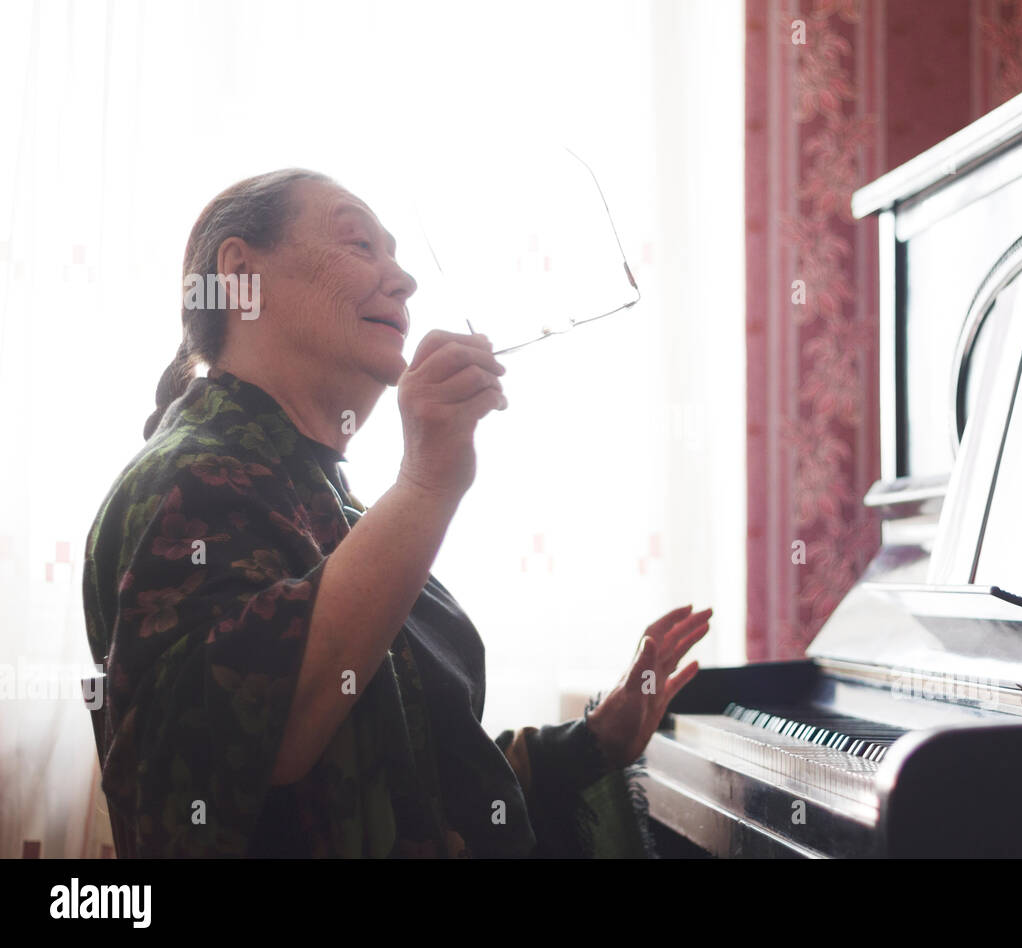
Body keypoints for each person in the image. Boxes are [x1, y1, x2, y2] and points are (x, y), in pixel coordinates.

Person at [82, 168, 711, 857]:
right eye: (359, 244)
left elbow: (413, 784)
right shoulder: (189, 479)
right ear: (239, 275)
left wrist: (597, 741)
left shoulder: (327, 501)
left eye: (397, 253)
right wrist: (425, 484)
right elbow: (238, 756)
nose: (403, 279)